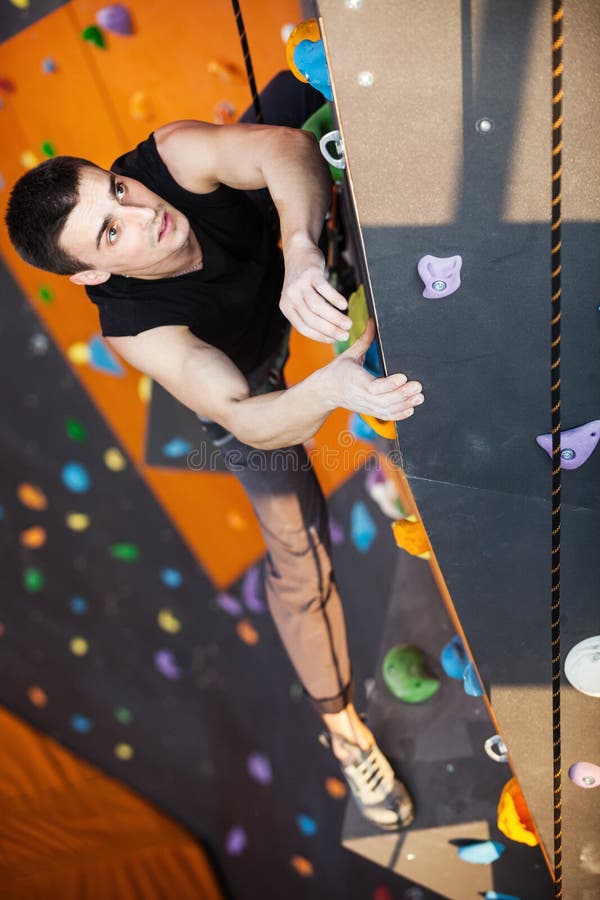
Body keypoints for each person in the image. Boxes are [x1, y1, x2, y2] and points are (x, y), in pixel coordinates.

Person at [5, 73, 424, 831]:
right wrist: (331, 390)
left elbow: (286, 149)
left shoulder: (170, 157)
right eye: (108, 232)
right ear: (94, 274)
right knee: (297, 554)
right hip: (253, 373)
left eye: (118, 191)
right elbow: (251, 419)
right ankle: (342, 730)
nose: (140, 214)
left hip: (277, 248)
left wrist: (300, 245)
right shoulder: (139, 331)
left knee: (305, 93)